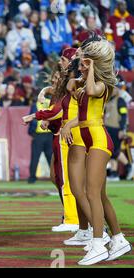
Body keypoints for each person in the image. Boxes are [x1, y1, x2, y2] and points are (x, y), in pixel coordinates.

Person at [61, 37, 132, 265]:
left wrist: (88, 71)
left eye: (85, 64)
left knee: (91, 193)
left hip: (100, 140)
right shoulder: (86, 81)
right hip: (91, 138)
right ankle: (119, 239)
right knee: (99, 195)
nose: (80, 66)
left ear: (95, 65)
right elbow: (81, 112)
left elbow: (90, 90)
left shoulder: (102, 85)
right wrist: (68, 125)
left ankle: (98, 243)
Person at [23, 52, 80, 233]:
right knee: (61, 178)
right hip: (63, 132)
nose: (59, 62)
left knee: (69, 180)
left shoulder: (75, 83)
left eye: (63, 60)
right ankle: (79, 220)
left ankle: (75, 218)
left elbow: (59, 109)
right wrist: (44, 91)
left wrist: (35, 115)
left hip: (70, 134)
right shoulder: (69, 84)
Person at [105, 87, 132, 181]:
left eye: (114, 89)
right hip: (108, 128)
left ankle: (127, 166)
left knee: (114, 152)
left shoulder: (120, 100)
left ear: (117, 90)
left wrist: (122, 129)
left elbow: (124, 116)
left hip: (116, 129)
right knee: (112, 152)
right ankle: (113, 172)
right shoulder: (108, 100)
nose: (112, 91)